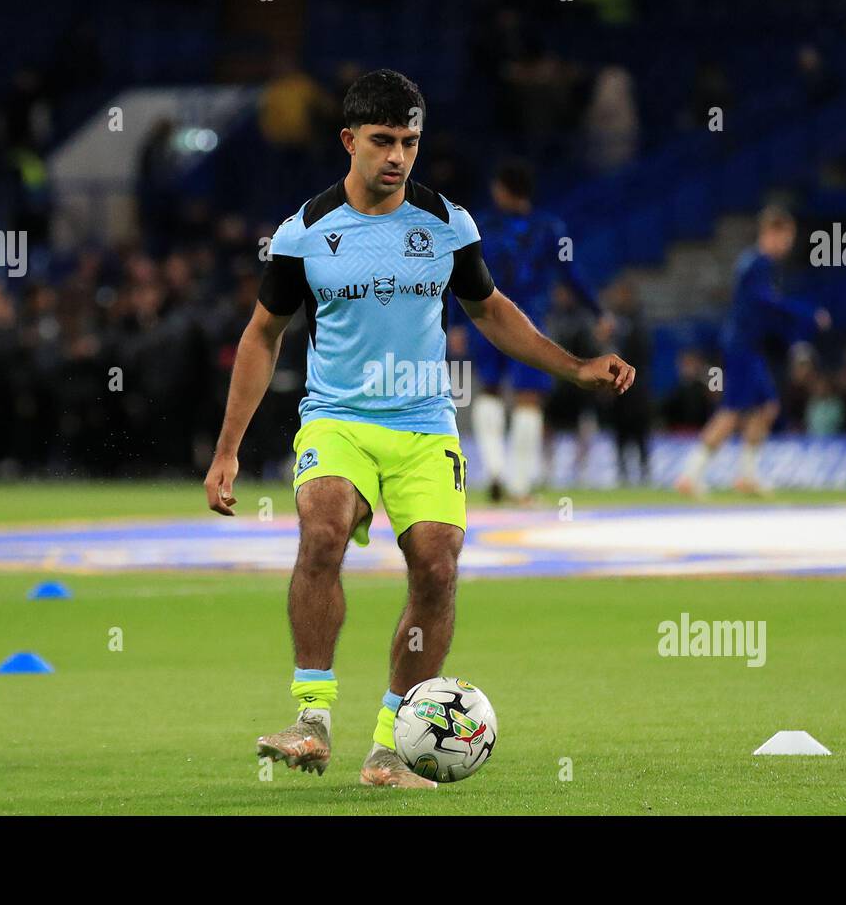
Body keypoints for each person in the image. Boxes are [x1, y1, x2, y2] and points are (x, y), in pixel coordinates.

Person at [203, 69, 635, 788]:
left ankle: (389, 748)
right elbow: (260, 335)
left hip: (423, 423)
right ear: (349, 140)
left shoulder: (447, 224)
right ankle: (311, 719)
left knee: (436, 566)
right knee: (322, 530)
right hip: (337, 418)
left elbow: (490, 309)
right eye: (382, 141)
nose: (398, 156)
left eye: (409, 141)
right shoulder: (303, 235)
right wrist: (227, 451)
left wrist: (575, 367)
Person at [457, 158, 612, 503]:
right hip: (528, 323)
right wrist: (598, 311)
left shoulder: (481, 226)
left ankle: (495, 471)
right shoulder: (549, 228)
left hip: (485, 318)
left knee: (490, 392)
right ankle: (518, 485)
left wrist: (455, 322)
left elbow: (460, 274)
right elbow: (572, 275)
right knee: (529, 401)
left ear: (501, 189)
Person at [675, 206, 829, 496]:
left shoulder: (756, 264)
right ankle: (690, 474)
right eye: (786, 238)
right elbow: (765, 302)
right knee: (732, 412)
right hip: (742, 348)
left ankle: (746, 475)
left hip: (749, 348)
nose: (788, 245)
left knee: (767, 407)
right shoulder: (758, 264)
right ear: (772, 233)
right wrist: (806, 313)